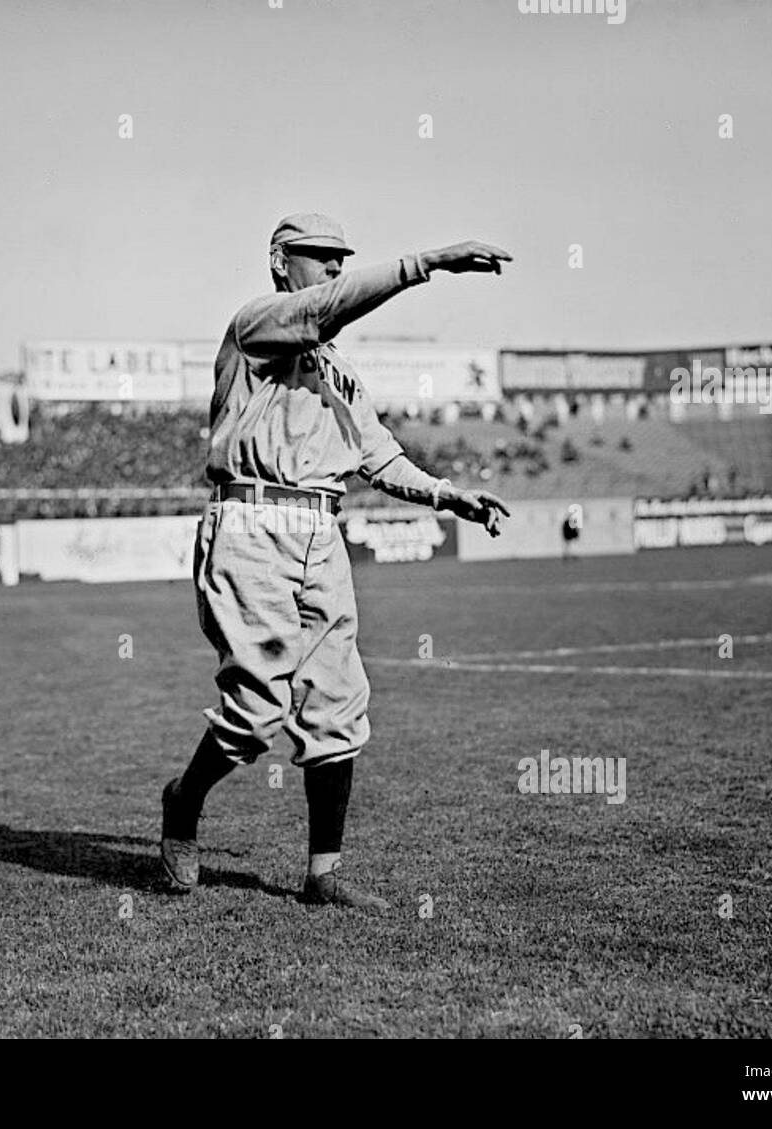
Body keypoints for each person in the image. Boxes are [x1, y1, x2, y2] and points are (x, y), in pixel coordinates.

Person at [160, 212, 513, 910]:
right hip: (252, 522)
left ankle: (324, 874)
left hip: (323, 531)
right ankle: (183, 800)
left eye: (339, 258)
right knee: (255, 710)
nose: (332, 268)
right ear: (280, 263)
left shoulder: (341, 376)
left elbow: (378, 456)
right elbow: (322, 310)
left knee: (338, 704)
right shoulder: (255, 329)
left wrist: (448, 494)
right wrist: (428, 262)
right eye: (318, 257)